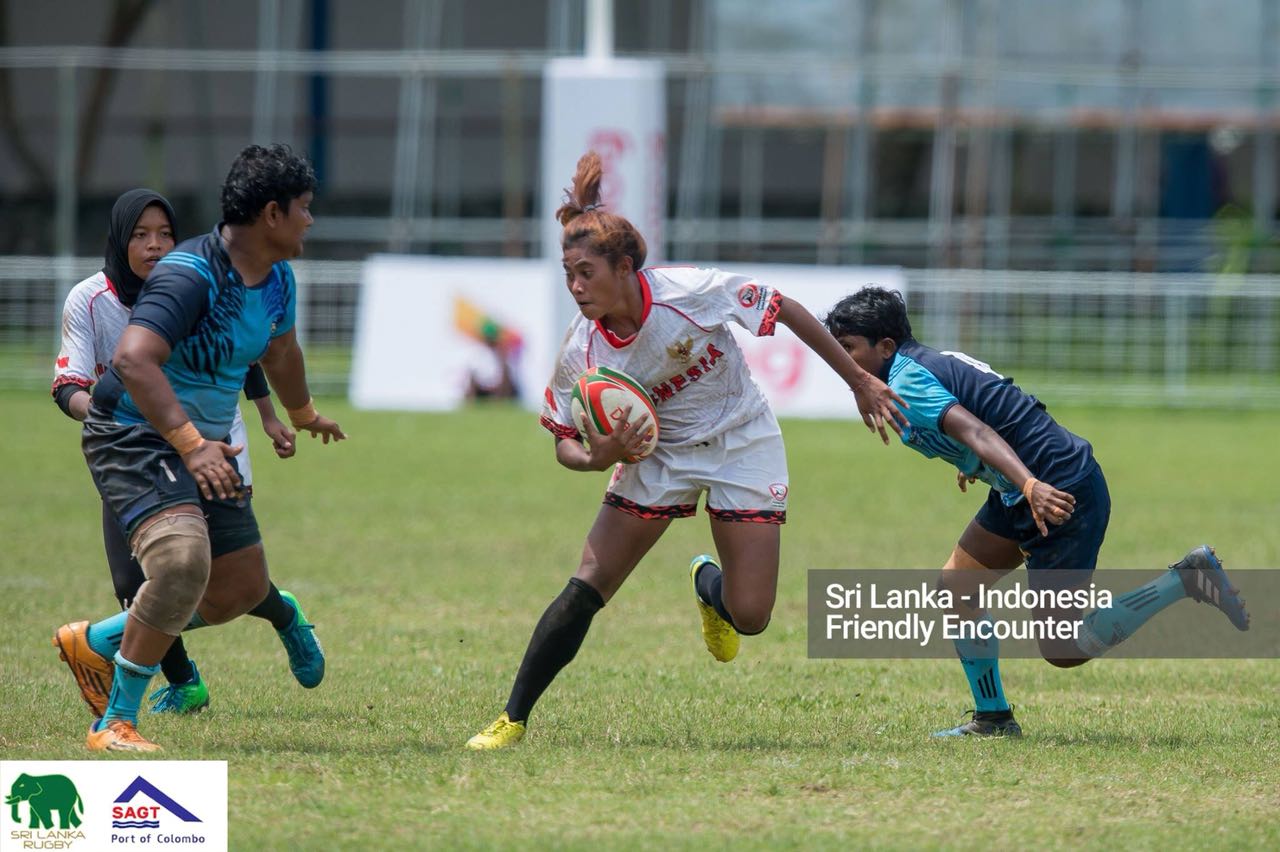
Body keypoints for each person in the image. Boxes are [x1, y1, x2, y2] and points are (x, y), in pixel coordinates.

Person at [465, 151, 908, 750]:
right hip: (658, 456)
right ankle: (511, 720)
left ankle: (708, 587)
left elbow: (788, 310)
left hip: (741, 440)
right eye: (568, 273)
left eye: (586, 273)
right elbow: (562, 442)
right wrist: (597, 458)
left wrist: (859, 381)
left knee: (751, 616)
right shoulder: (583, 350)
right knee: (587, 585)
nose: (575, 287)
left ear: (625, 268)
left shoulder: (691, 292)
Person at [822, 286, 1250, 737]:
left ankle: (1185, 579)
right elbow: (1001, 407)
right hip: (1021, 484)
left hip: (1055, 488)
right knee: (956, 588)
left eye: (848, 349)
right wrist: (979, 466)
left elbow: (978, 427)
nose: (841, 362)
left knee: (1063, 648)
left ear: (884, 347)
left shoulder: (907, 379)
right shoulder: (923, 363)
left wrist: (1025, 481)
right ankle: (993, 718)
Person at [55, 144, 345, 752]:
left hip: (203, 443)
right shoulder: (191, 274)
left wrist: (301, 412)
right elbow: (134, 359)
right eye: (304, 209)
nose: (310, 220)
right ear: (272, 214)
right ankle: (114, 724)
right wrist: (190, 444)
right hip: (134, 433)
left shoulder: (277, 278)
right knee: (183, 562)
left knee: (240, 588)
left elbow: (281, 353)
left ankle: (100, 640)